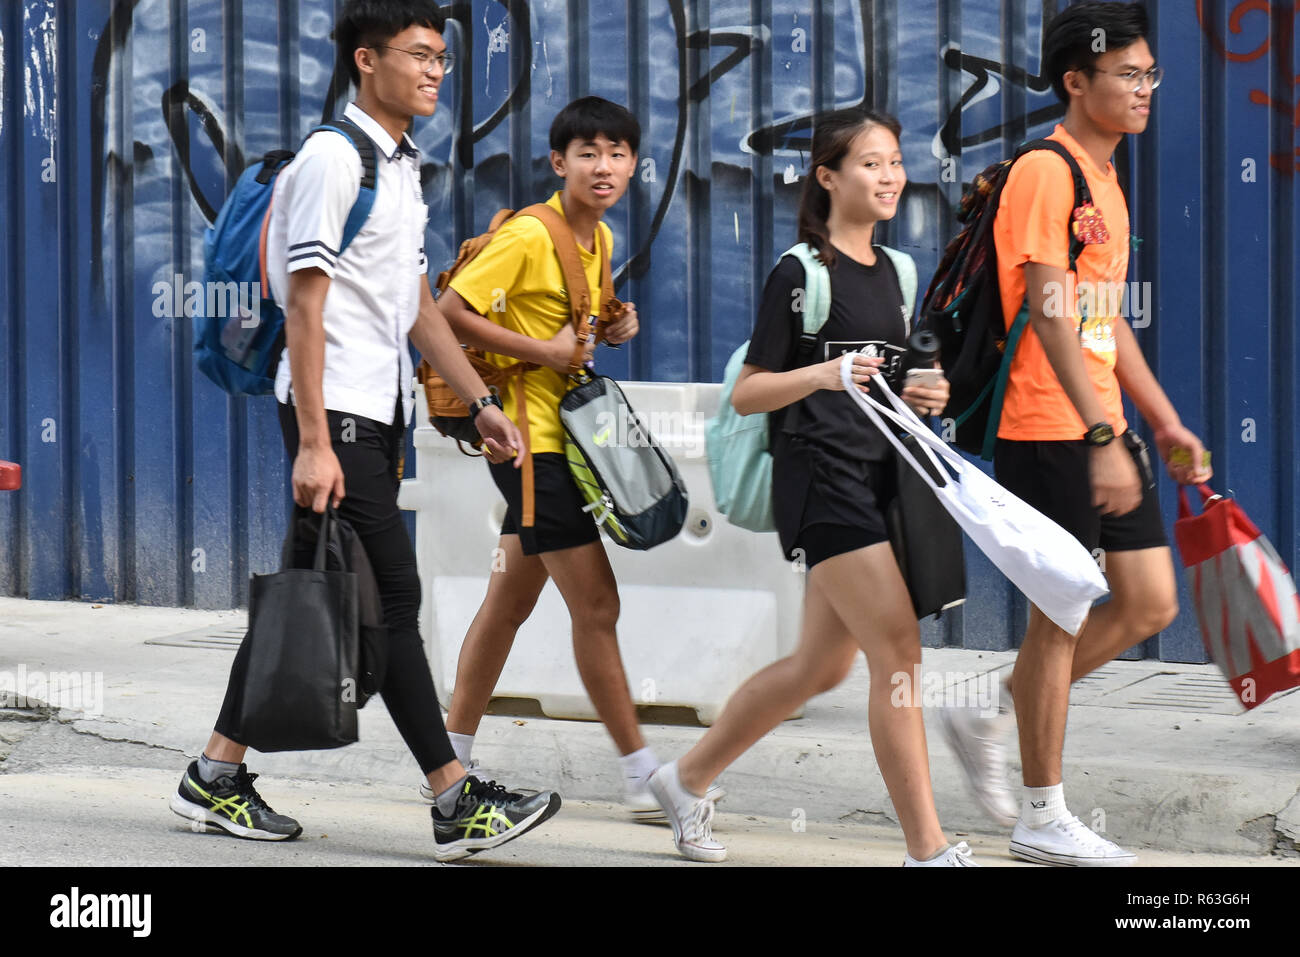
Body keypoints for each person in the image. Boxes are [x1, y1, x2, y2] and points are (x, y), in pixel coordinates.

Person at [169, 0, 561, 863]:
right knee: (389, 601)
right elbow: (303, 308)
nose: (433, 72)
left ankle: (215, 772)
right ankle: (454, 794)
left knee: (328, 596)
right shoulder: (331, 161)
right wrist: (313, 441)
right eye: (419, 55)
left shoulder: (401, 166)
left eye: (441, 60)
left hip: (376, 417)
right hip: (332, 413)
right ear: (365, 60)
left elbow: (416, 305)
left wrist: (479, 400)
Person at [647, 108, 976, 866]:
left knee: (820, 666)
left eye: (894, 161)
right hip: (821, 480)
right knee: (898, 650)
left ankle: (685, 778)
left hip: (878, 476)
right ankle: (928, 850)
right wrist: (825, 373)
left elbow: (884, 382)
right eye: (870, 163)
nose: (889, 176)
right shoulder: (801, 273)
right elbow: (750, 391)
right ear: (827, 177)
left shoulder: (898, 273)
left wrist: (922, 389)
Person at [940, 1, 1212, 867]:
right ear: (1076, 81)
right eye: (1127, 75)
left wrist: (1158, 419)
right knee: (1060, 615)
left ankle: (988, 707)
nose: (1144, 90)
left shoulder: (1105, 178)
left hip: (1099, 422)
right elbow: (1050, 310)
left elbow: (1102, 317)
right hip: (1048, 425)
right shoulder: (1046, 172)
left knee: (1147, 602)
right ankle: (1041, 814)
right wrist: (1099, 433)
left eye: (1149, 75)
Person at [431, 97, 720, 822]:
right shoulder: (532, 233)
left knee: (510, 600)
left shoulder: (601, 238)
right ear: (558, 163)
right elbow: (446, 313)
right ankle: (644, 775)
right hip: (532, 445)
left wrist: (615, 322)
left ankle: (450, 756)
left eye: (618, 153)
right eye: (588, 152)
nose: (605, 166)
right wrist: (546, 353)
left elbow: (577, 325)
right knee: (598, 603)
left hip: (564, 441)